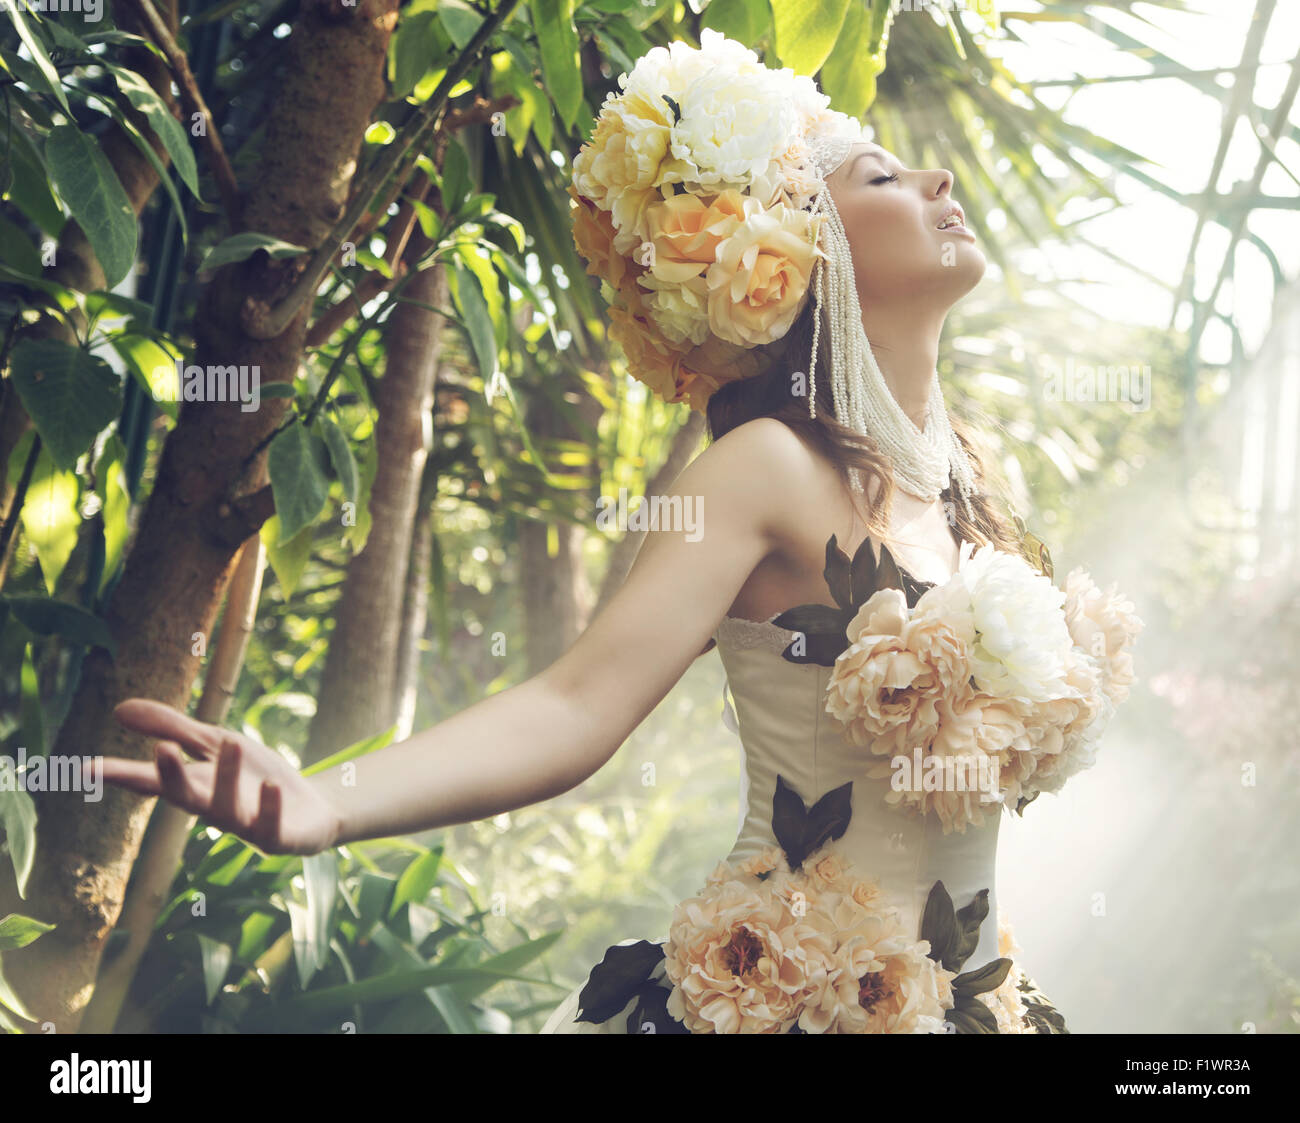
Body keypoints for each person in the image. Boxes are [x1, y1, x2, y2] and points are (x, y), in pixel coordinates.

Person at [103, 32, 1141, 1034]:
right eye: (883, 178)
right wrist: (323, 804)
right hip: (779, 1005)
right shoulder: (764, 466)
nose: (938, 180)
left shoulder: (970, 491)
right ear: (798, 251)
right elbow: (574, 701)